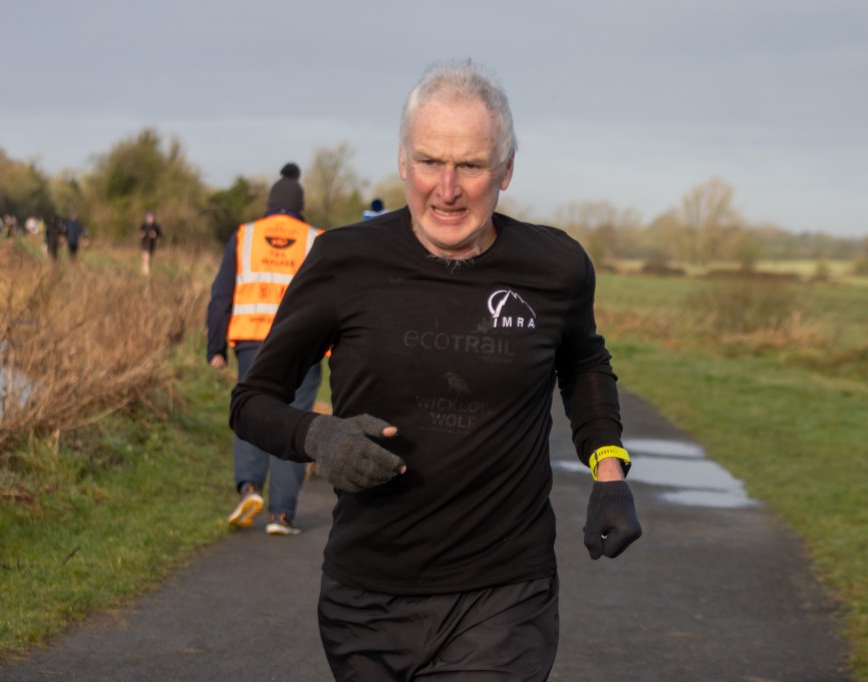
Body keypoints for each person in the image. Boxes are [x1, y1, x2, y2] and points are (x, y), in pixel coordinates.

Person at [230, 60, 641, 680]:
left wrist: (609, 471)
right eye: (429, 162)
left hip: (505, 595)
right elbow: (252, 400)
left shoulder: (554, 266)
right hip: (366, 597)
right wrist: (317, 437)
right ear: (402, 161)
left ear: (506, 168)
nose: (446, 189)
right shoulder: (344, 261)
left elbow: (584, 363)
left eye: (470, 166)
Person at [208, 163, 325, 536]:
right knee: (296, 420)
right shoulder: (315, 239)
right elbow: (331, 300)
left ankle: (248, 489)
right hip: (302, 347)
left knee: (251, 413)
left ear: (270, 203)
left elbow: (221, 295)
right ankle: (282, 516)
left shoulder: (244, 236)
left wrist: (216, 346)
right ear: (299, 205)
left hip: (251, 344)